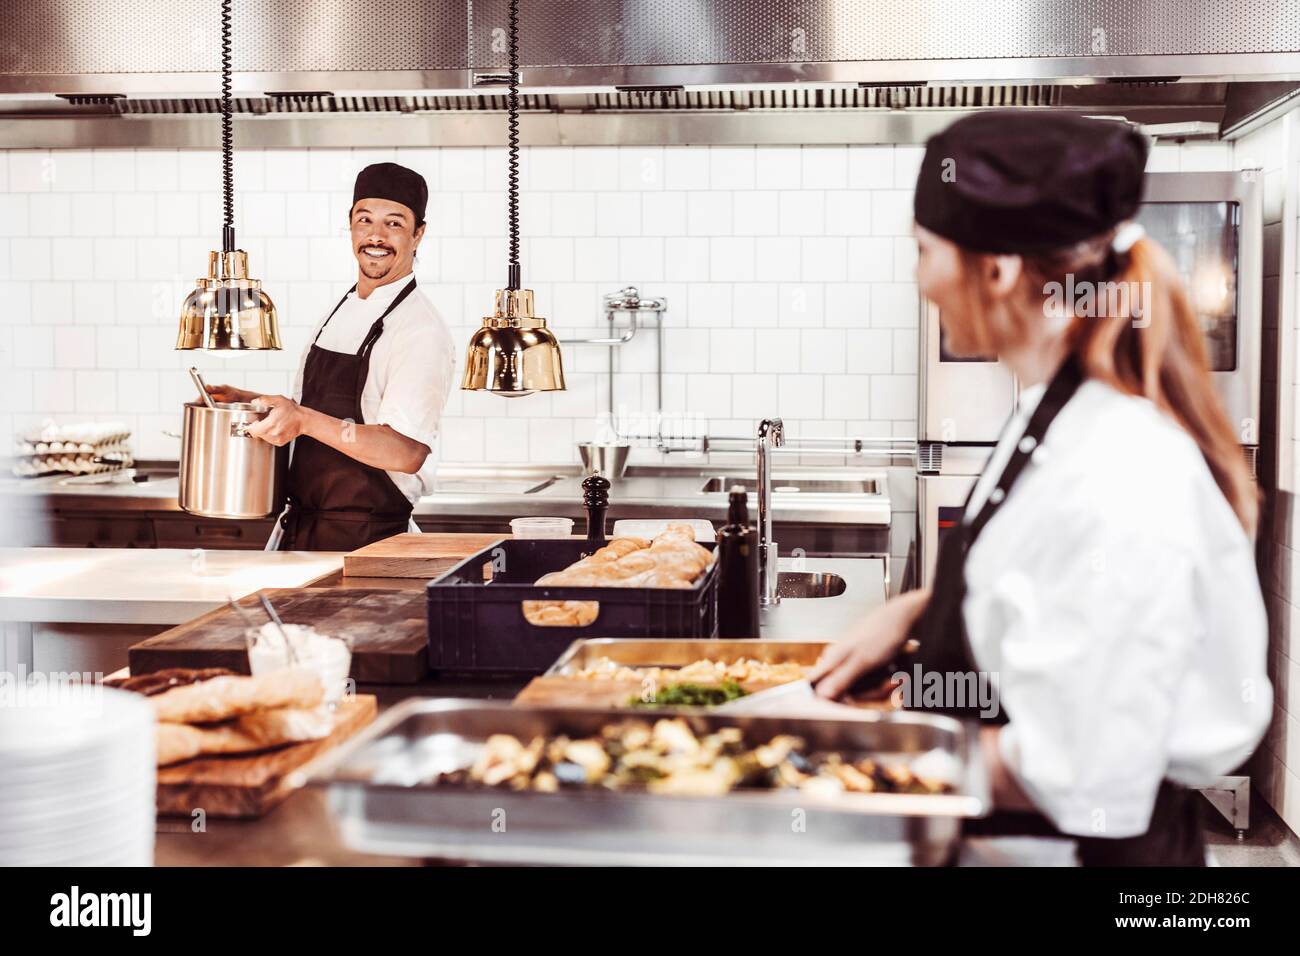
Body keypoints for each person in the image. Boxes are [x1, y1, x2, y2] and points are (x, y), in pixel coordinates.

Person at [811, 111, 1272, 865]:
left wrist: (860, 764)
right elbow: (1051, 581)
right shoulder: (1053, 416)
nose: (920, 278)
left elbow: (1090, 772)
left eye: (924, 252)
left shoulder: (1120, 470)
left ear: (995, 271)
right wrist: (923, 608)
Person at [205, 162, 455, 551]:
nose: (376, 236)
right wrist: (251, 403)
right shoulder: (342, 307)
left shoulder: (419, 328)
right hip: (302, 533)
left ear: (418, 234)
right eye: (365, 220)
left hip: (369, 544)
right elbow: (319, 415)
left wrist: (301, 418)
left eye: (394, 223)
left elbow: (406, 452)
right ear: (351, 225)